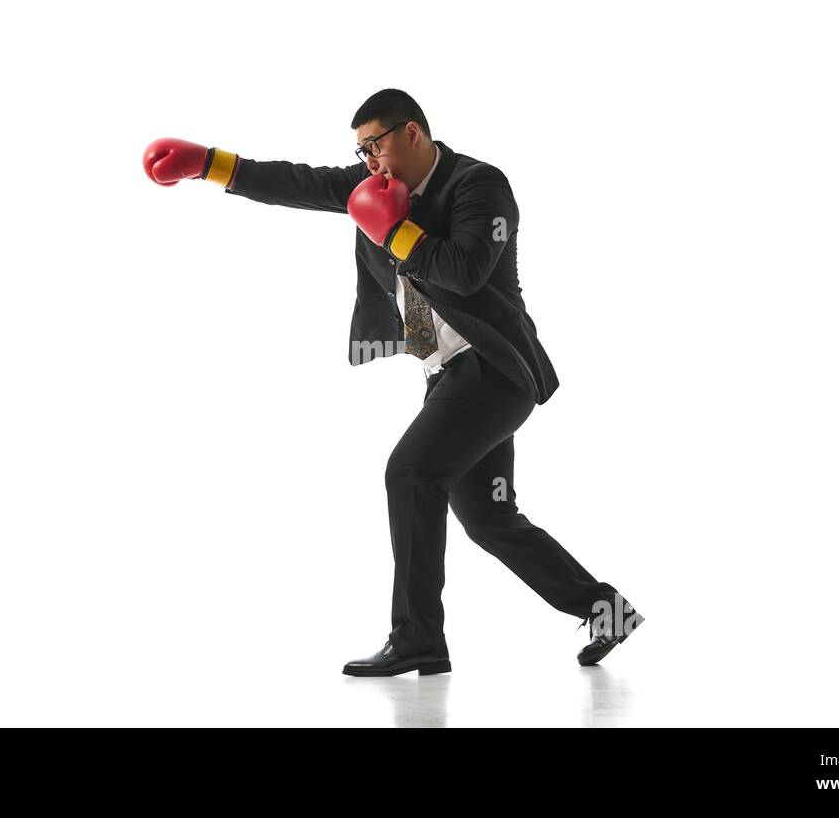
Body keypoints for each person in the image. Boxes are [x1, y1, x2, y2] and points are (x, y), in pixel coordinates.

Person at [142, 88, 643, 675]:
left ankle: (417, 639)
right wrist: (208, 164)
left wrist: (394, 230)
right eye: (360, 152)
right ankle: (606, 609)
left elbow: (465, 269)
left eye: (376, 145)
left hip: (495, 368)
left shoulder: (479, 185)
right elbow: (298, 182)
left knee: (409, 474)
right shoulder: (372, 186)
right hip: (446, 374)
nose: (369, 162)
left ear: (413, 133)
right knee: (489, 518)